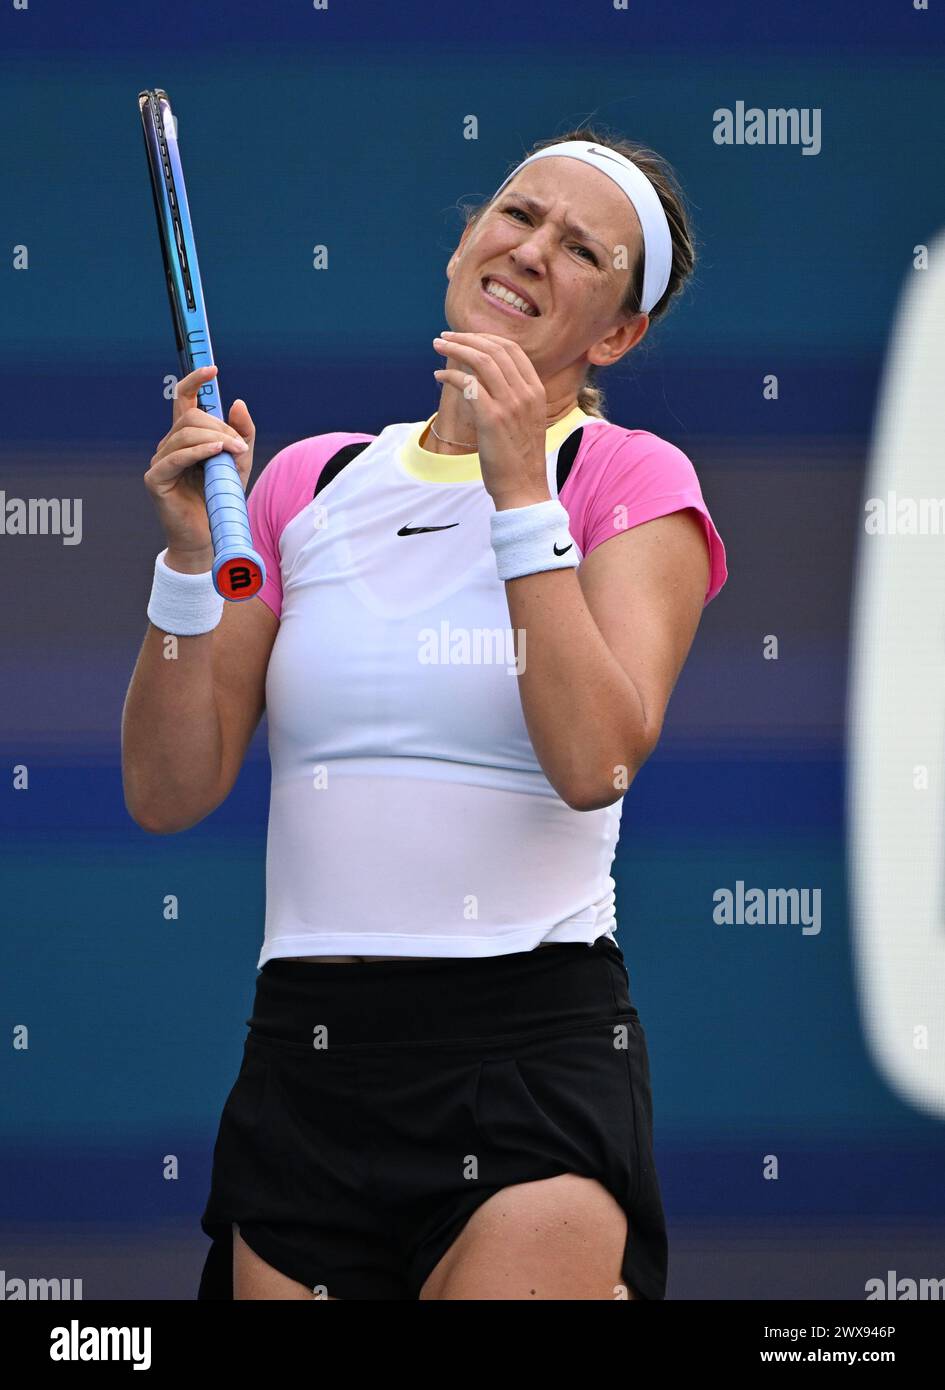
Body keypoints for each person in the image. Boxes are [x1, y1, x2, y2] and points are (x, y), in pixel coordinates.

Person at [122, 125, 728, 1301]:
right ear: (465, 244)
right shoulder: (308, 481)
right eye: (516, 215)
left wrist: (519, 494)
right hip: (306, 1060)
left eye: (582, 248)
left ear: (617, 333)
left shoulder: (630, 478)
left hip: (529, 1060)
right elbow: (168, 787)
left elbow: (598, 760)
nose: (532, 249)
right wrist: (191, 564)